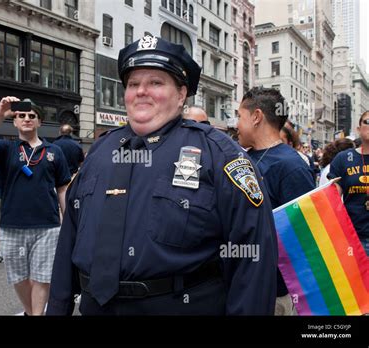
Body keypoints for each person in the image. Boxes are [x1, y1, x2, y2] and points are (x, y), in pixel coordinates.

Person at [46, 35, 278, 316]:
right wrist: (57, 308)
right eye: (133, 84)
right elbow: (69, 236)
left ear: (181, 94)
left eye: (155, 82)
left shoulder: (220, 154)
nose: (141, 91)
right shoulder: (99, 151)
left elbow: (253, 258)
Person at [0, 98, 70, 315]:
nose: (27, 119)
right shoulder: (6, 148)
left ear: (39, 122)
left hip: (47, 226)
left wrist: (67, 222)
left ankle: (36, 314)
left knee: (42, 276)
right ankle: (30, 311)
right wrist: (0, 114)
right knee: (19, 277)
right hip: (12, 226)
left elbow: (62, 189)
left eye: (32, 116)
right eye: (21, 116)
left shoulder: (54, 151)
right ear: (15, 122)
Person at [236, 87, 315, 315]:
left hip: (277, 291)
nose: (236, 124)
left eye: (240, 116)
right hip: (247, 282)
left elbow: (302, 233)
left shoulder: (291, 166)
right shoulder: (242, 158)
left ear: (256, 117)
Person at [328, 111, 369, 255]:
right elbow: (332, 199)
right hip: (353, 238)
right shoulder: (343, 159)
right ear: (358, 129)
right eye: (367, 122)